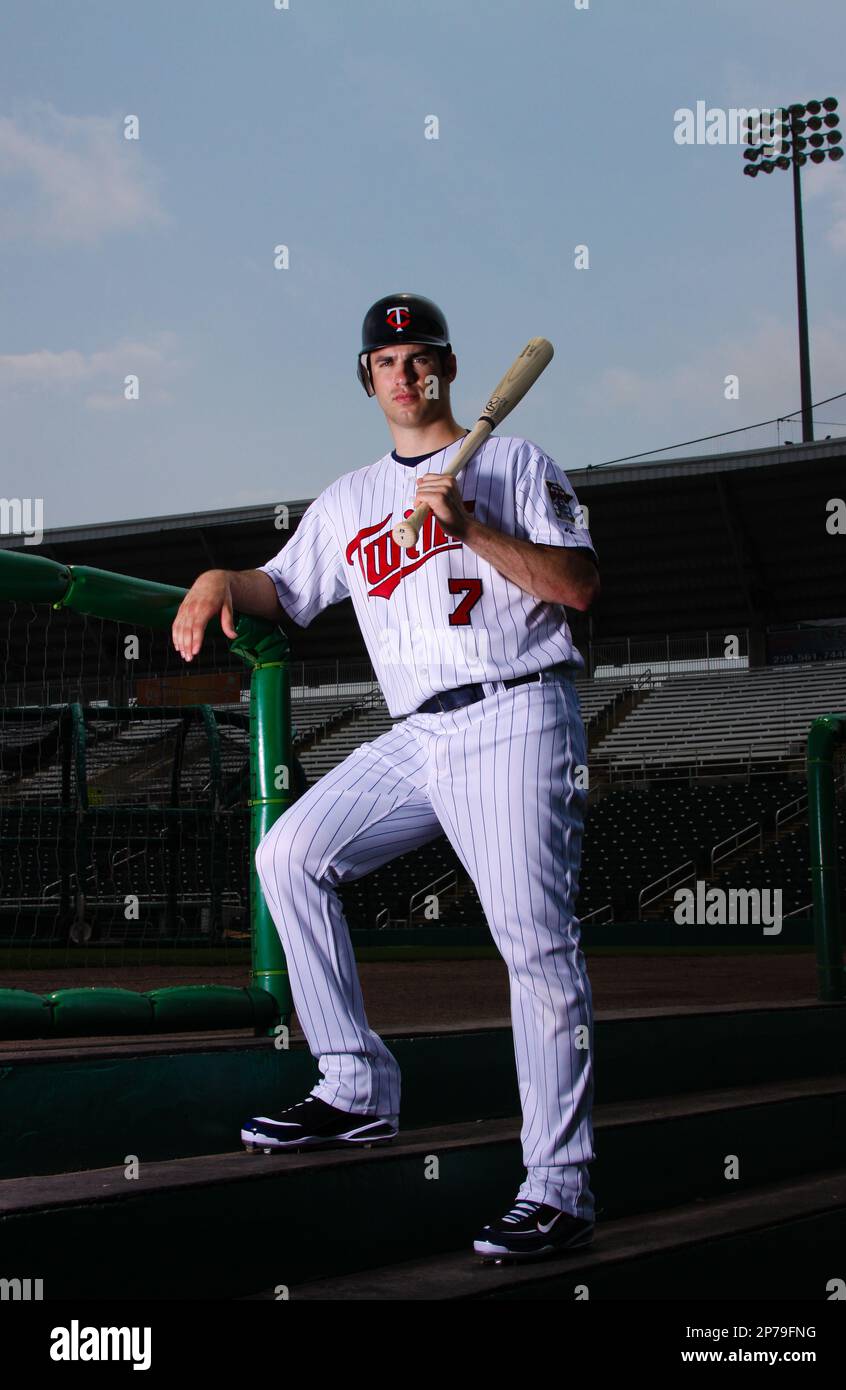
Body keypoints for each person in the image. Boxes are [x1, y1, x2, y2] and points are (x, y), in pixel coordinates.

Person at [172, 292, 601, 1263]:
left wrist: (471, 529)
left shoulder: (516, 462)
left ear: (445, 368)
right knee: (289, 853)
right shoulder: (347, 500)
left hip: (514, 709)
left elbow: (576, 587)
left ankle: (561, 1186)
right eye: (386, 361)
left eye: (419, 358)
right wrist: (213, 584)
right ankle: (354, 1086)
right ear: (365, 379)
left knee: (534, 948)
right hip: (415, 735)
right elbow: (281, 590)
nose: (404, 375)